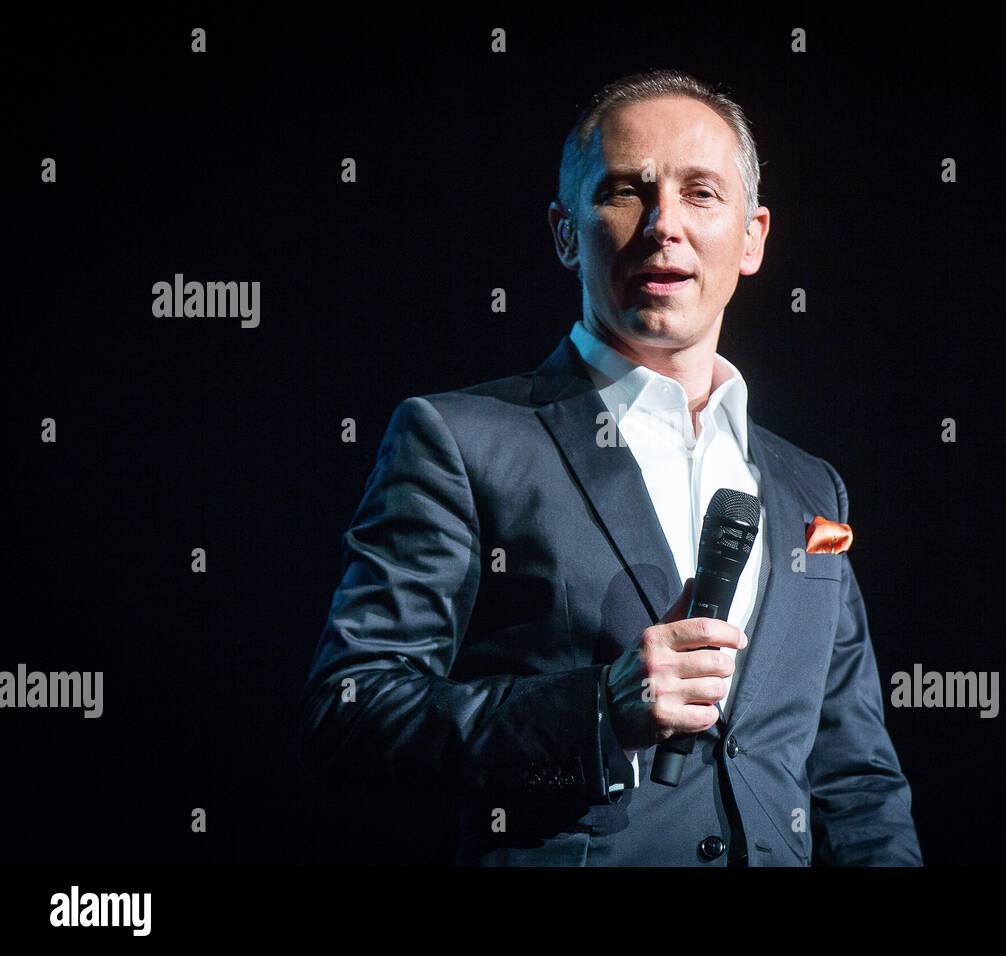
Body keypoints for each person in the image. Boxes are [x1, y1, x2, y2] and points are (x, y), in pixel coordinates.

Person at [297, 69, 922, 866]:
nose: (664, 225)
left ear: (753, 237)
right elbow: (348, 713)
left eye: (701, 193)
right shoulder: (458, 440)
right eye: (626, 192)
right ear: (565, 233)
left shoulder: (811, 491)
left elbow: (856, 780)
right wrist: (596, 713)